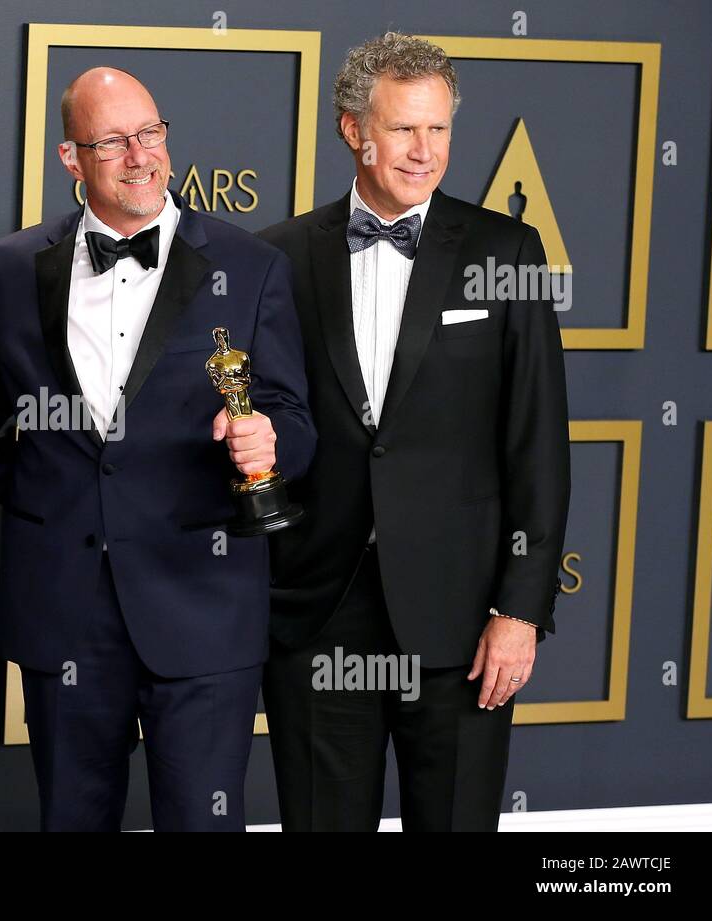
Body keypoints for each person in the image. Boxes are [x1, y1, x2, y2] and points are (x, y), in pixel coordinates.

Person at [0, 66, 315, 831]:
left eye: (150, 133)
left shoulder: (251, 267)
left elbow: (294, 421)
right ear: (71, 159)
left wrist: (269, 441)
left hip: (202, 607)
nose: (141, 155)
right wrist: (29, 483)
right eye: (112, 141)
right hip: (65, 610)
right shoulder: (12, 267)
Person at [257, 32, 571, 831]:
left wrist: (521, 610)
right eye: (403, 129)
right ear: (352, 129)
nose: (425, 151)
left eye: (439, 129)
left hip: (464, 623)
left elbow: (538, 443)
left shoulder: (509, 251)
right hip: (319, 614)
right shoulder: (278, 257)